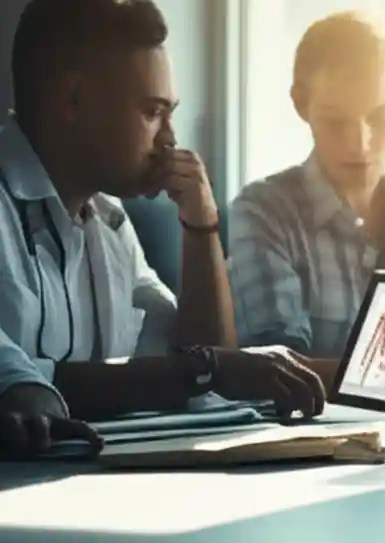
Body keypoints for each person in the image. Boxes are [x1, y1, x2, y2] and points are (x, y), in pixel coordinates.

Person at [0, 0, 326, 458]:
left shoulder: (110, 225)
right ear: (72, 101)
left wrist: (202, 227)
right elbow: (18, 380)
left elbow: (198, 365)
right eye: (153, 113)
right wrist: (207, 369)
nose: (170, 139)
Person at [228, 10, 385, 378]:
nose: (361, 143)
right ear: (300, 104)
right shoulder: (264, 213)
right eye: (336, 121)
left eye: (380, 118)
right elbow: (282, 375)